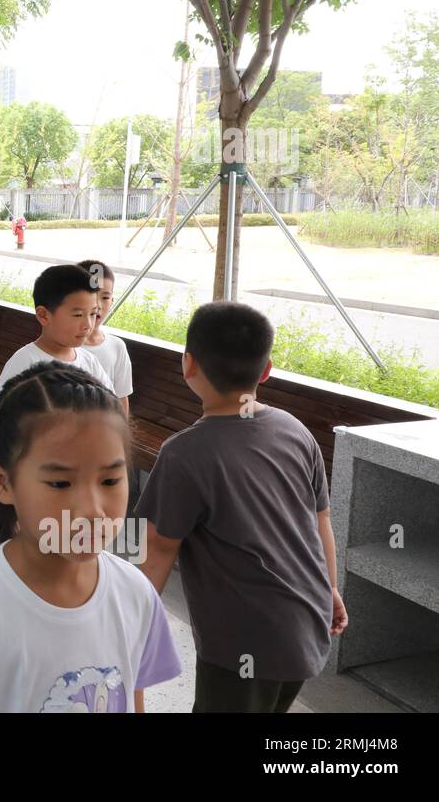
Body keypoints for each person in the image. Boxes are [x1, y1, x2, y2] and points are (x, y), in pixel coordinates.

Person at [0, 361, 181, 712]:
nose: (93, 510)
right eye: (60, 483)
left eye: (110, 481)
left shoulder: (136, 595)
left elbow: (132, 698)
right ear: (3, 482)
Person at [136, 301, 346, 713]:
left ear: (188, 364)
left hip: (243, 643)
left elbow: (158, 549)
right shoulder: (294, 430)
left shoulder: (185, 453)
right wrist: (331, 589)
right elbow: (321, 521)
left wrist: (131, 626)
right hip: (306, 623)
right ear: (266, 370)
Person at [0, 264, 115, 397]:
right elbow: (2, 413)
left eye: (93, 314)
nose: (88, 325)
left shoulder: (90, 362)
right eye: (78, 315)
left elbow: (112, 404)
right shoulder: (24, 363)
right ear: (44, 315)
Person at [77, 259, 134, 416]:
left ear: (112, 301)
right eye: (91, 294)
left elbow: (122, 398)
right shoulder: (62, 346)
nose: (98, 305)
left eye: (105, 297)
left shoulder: (117, 346)